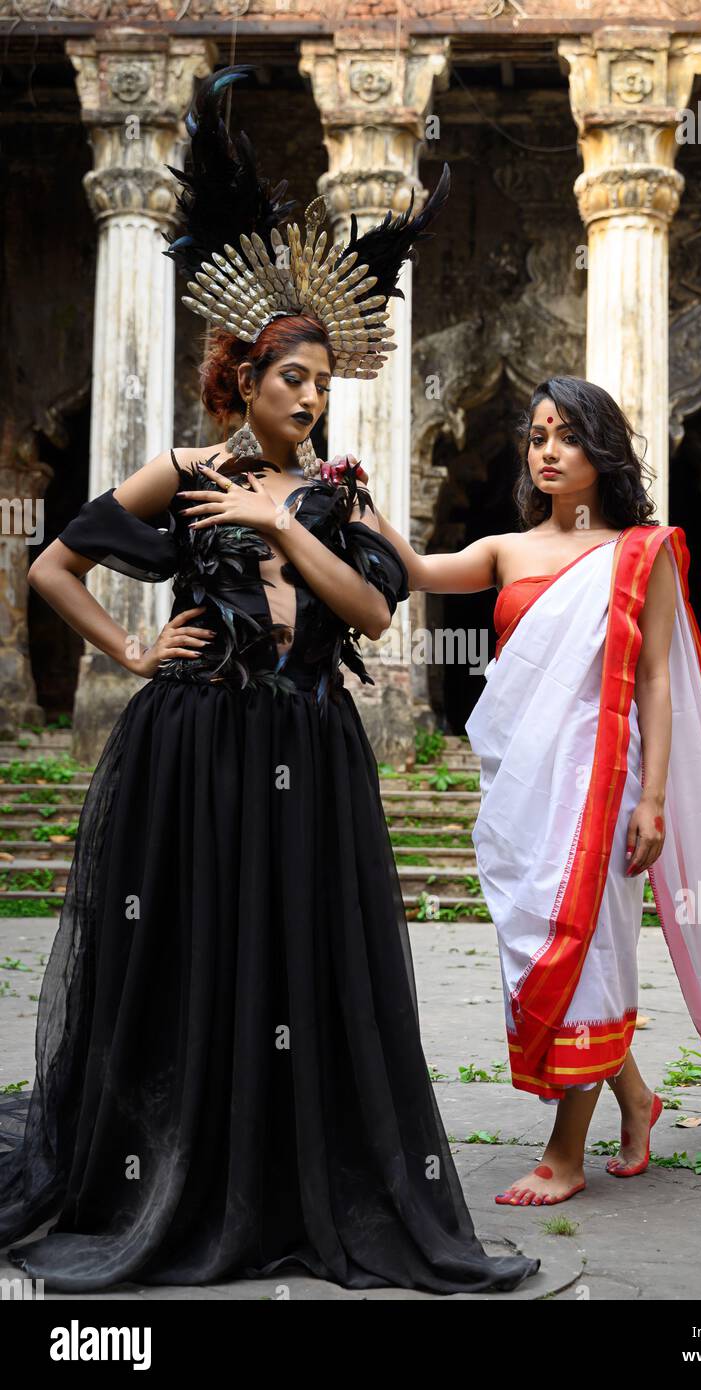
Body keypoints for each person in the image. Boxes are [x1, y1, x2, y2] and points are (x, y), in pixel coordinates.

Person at [0, 65, 539, 1295]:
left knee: (303, 955)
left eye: (324, 382)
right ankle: (178, 1165)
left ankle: (301, 1171)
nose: (311, 396)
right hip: (197, 743)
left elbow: (374, 608)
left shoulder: (338, 495)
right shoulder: (186, 470)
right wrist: (132, 651)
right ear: (244, 378)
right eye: (293, 377)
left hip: (310, 741)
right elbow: (54, 565)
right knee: (198, 952)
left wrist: (286, 524)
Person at [347, 373, 701, 1208]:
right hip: (523, 784)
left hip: (602, 785)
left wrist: (652, 798)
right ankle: (635, 1098)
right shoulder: (506, 549)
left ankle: (564, 1154)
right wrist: (358, 500)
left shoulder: (639, 555)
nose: (548, 452)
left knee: (586, 949)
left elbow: (656, 680)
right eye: (537, 437)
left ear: (603, 450)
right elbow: (412, 572)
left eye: (568, 436)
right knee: (537, 943)